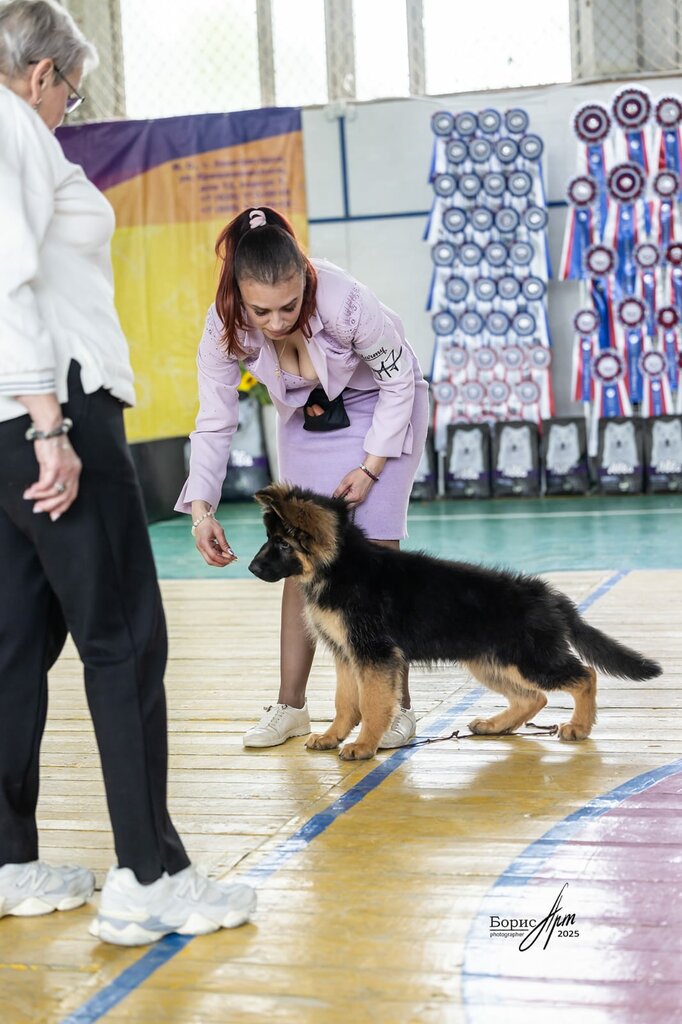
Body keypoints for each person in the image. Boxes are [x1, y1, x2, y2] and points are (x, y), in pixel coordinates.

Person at [0, 0, 255, 945]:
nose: (72, 105)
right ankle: (150, 876)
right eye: (72, 88)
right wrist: (48, 426)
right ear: (41, 76)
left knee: (18, 643)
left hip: (7, 425)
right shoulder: (15, 130)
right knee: (125, 641)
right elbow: (9, 276)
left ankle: (9, 858)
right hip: (53, 412)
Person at [176, 206, 430, 749]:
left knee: (375, 559)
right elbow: (215, 420)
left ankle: (398, 710)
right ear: (238, 294)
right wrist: (202, 510)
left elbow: (398, 380)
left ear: (305, 278)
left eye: (289, 306)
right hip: (305, 414)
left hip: (382, 408)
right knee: (299, 555)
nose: (275, 322)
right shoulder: (222, 324)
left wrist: (370, 468)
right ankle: (290, 707)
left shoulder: (347, 300)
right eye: (261, 311)